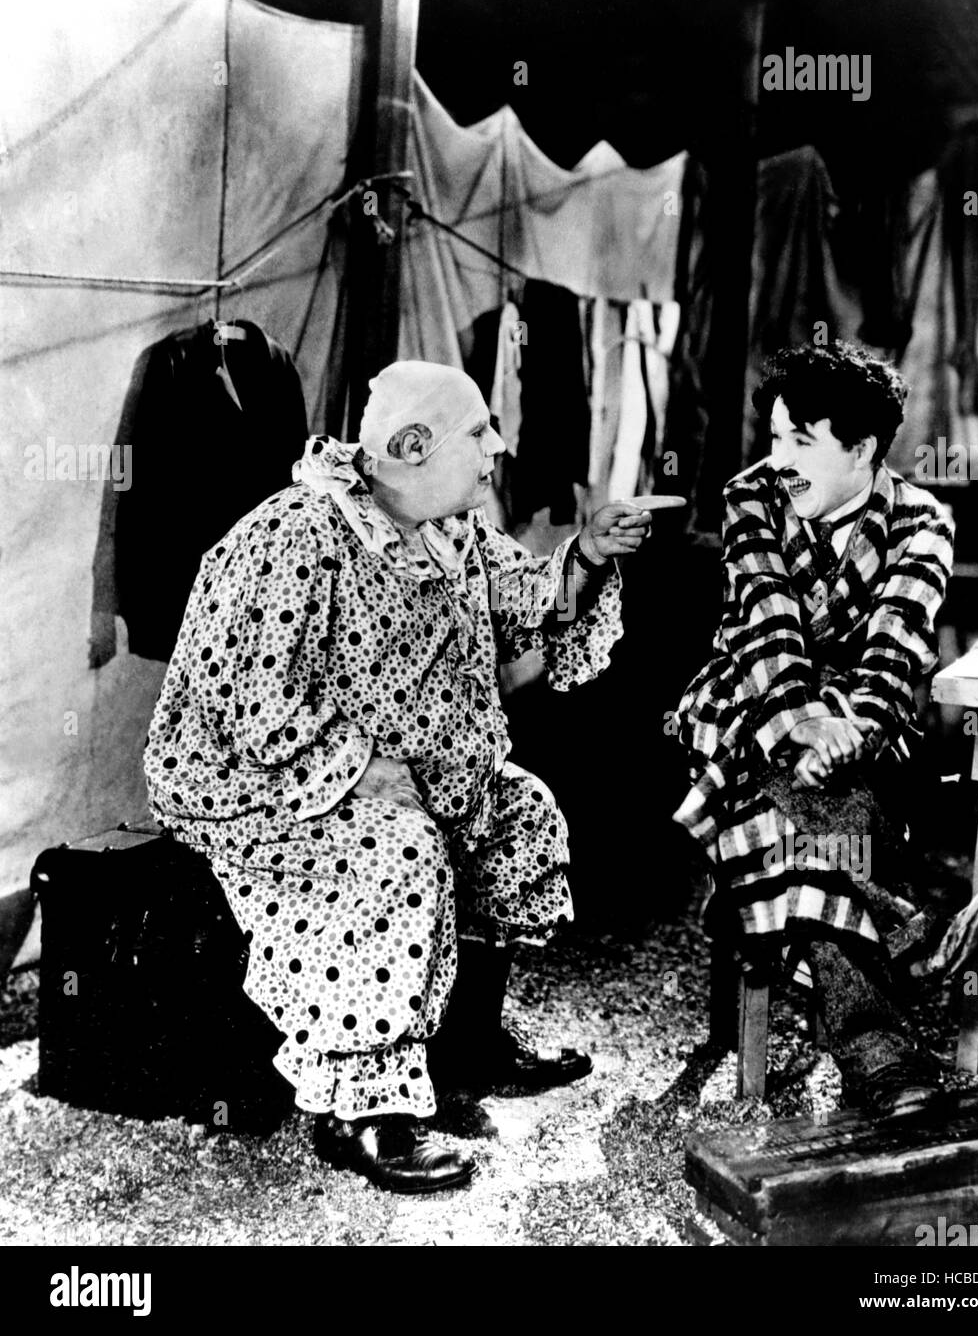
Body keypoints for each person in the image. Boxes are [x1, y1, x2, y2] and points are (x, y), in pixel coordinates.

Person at [144, 360, 651, 1193]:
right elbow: (252, 701)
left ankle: (468, 1040)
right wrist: (361, 767)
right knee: (397, 855)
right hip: (260, 777)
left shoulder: (445, 524)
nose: (499, 446)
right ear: (413, 446)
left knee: (521, 811)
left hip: (414, 769)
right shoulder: (294, 537)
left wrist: (586, 554)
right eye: (480, 432)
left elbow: (529, 596)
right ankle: (365, 1111)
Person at [673, 342, 978, 1118]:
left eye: (802, 441)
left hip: (862, 727)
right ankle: (898, 998)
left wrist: (845, 728)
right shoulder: (750, 496)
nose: (779, 459)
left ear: (861, 450)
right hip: (750, 704)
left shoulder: (924, 521)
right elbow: (767, 621)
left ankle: (771, 905)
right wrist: (802, 721)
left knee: (807, 831)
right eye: (774, 437)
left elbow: (896, 648)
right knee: (816, 792)